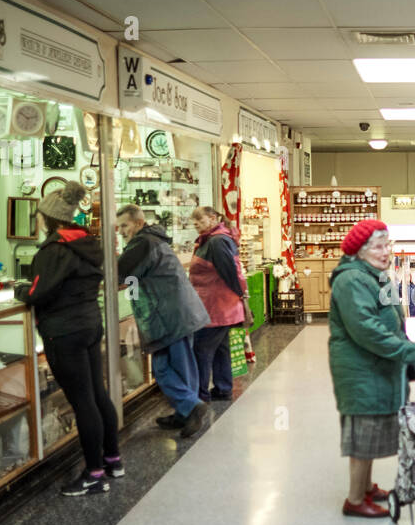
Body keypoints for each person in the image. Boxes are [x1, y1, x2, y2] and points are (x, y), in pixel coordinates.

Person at [15, 184, 122, 495]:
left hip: (63, 330)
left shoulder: (54, 250)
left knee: (82, 401)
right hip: (90, 323)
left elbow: (39, 292)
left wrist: (20, 290)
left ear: (50, 218)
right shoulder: (87, 243)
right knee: (98, 394)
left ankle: (94, 474)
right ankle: (113, 460)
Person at [328, 219, 415, 518]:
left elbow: (390, 319)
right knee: (363, 431)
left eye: (388, 245)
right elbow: (366, 329)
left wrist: (405, 344)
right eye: (378, 247)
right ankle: (355, 499)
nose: (386, 252)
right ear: (360, 251)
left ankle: (366, 487)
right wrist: (406, 349)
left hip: (375, 365)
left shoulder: (374, 275)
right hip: (361, 368)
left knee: (370, 429)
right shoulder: (351, 280)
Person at [115, 205, 211, 438]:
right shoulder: (152, 240)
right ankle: (185, 412)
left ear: (138, 223)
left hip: (169, 316)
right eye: (118, 228)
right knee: (182, 367)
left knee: (163, 368)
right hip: (176, 313)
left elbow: (119, 276)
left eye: (124, 226)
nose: (121, 232)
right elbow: (130, 279)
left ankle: (191, 407)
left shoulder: (142, 243)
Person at [188, 206, 246, 402]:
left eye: (200, 221)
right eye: (194, 223)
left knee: (201, 350)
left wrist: (240, 294)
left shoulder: (217, 241)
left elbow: (229, 272)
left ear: (213, 218)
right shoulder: (214, 239)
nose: (196, 226)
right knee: (221, 349)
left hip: (215, 307)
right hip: (222, 306)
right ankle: (222, 388)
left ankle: (200, 396)